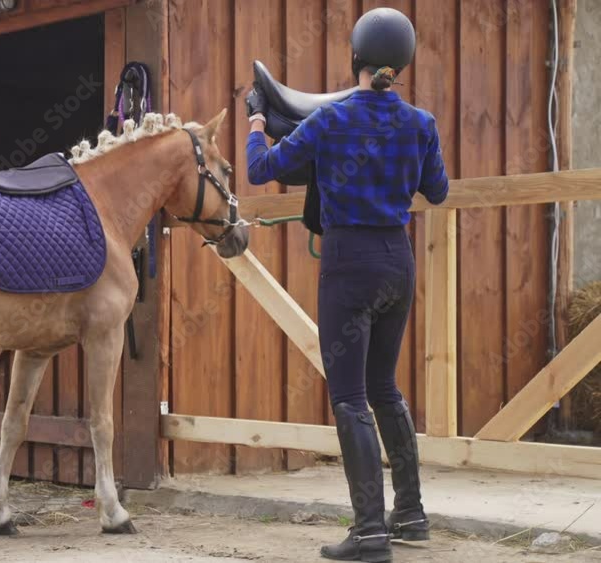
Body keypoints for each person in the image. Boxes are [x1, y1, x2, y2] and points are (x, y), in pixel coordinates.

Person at [245, 7, 448, 563]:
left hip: (348, 261)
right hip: (397, 261)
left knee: (351, 397)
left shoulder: (330, 120)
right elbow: (439, 191)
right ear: (402, 64)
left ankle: (368, 533)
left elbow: (262, 171)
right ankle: (410, 515)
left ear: (354, 57)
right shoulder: (421, 124)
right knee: (384, 388)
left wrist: (256, 122)